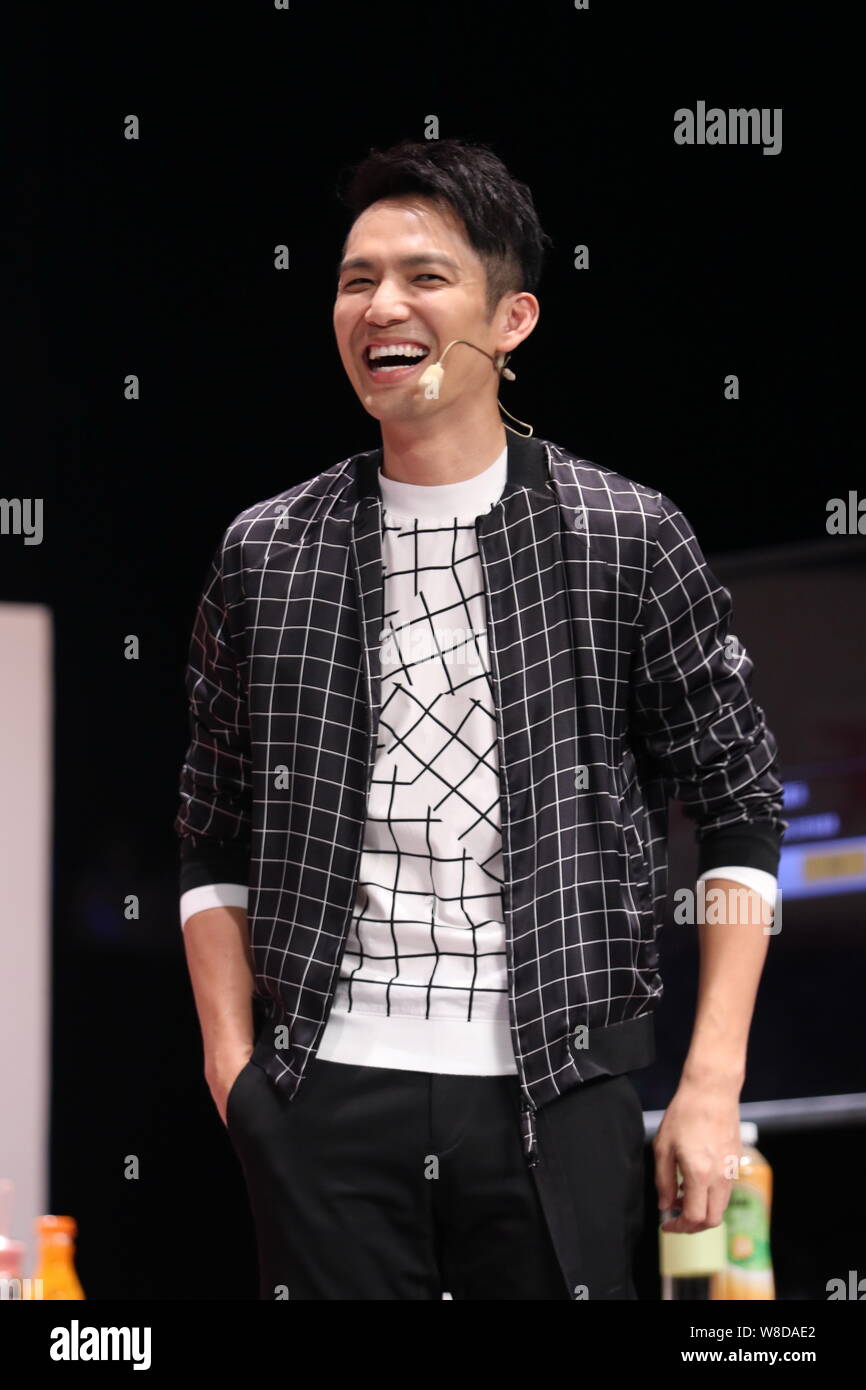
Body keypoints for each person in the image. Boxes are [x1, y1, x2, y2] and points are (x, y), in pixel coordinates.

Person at [174, 138, 787, 1300]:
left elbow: (738, 806)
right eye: (356, 279)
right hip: (323, 1086)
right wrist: (234, 1067)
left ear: (511, 319)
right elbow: (212, 828)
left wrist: (710, 1081)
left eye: (422, 276)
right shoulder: (266, 550)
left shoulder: (622, 532)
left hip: (558, 1083)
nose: (380, 305)